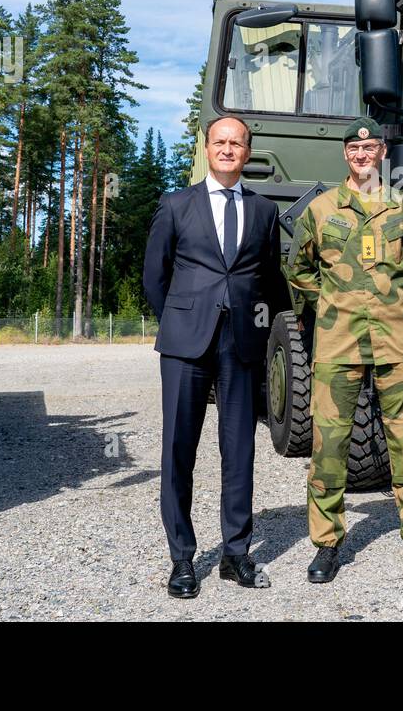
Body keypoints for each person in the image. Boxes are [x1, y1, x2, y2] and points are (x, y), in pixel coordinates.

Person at [287, 117, 403, 583]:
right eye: (354, 149)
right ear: (346, 154)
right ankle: (327, 544)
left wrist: (400, 303)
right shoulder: (321, 210)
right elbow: (298, 269)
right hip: (338, 343)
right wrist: (330, 303)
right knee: (329, 443)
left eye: (371, 148)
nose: (362, 155)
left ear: (383, 153)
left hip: (396, 342)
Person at [144, 115, 288, 599]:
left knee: (240, 451)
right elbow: (154, 277)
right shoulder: (175, 204)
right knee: (179, 449)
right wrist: (180, 320)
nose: (228, 150)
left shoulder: (265, 212)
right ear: (207, 149)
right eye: (220, 142)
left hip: (242, 343)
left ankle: (236, 554)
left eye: (237, 143)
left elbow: (270, 280)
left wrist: (274, 326)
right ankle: (182, 559)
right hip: (186, 343)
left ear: (248, 152)